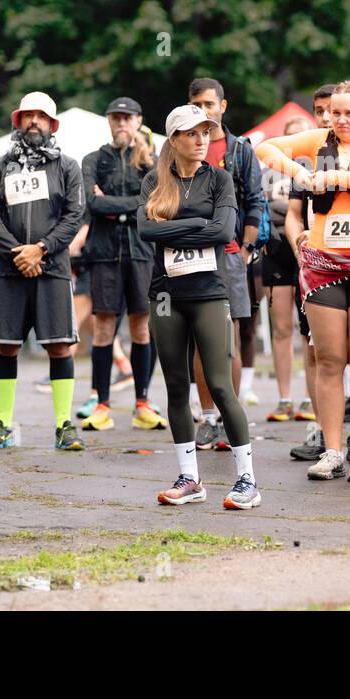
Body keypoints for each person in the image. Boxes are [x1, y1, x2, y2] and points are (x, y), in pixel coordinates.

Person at [256, 81, 350, 483]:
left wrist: (334, 176)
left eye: (348, 113)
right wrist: (300, 171)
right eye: (333, 112)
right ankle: (332, 449)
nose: (338, 119)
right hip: (322, 264)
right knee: (329, 360)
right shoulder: (317, 139)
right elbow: (264, 148)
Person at [138, 104, 259, 508]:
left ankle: (247, 481)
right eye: (191, 133)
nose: (201, 139)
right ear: (174, 140)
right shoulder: (155, 180)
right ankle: (190, 478)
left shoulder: (220, 179)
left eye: (206, 132)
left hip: (209, 293)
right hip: (167, 295)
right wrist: (197, 226)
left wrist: (175, 229)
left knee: (221, 386)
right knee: (175, 387)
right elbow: (145, 230)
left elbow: (225, 231)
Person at [0, 92, 86, 451]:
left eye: (41, 116)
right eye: (28, 115)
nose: (34, 121)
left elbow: (74, 216)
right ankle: (4, 423)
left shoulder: (67, 167)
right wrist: (17, 252)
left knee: (59, 347)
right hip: (9, 270)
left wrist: (40, 249)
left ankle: (63, 425)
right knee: (6, 346)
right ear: (18, 121)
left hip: (52, 267)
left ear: (52, 124)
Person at [186, 79, 266, 450]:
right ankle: (209, 418)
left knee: (230, 339)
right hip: (191, 254)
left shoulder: (239, 150)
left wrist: (247, 248)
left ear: (223, 105)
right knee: (203, 341)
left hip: (232, 254)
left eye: (209, 104)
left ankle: (231, 416)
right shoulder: (181, 147)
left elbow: (255, 200)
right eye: (196, 104)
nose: (204, 111)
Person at [78, 96, 164, 432]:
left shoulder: (150, 161)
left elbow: (154, 203)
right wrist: (128, 206)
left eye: (127, 118)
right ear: (108, 122)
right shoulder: (93, 159)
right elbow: (90, 203)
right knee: (103, 327)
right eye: (115, 118)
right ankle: (101, 404)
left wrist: (112, 204)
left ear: (139, 120)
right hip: (104, 252)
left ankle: (142, 402)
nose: (121, 123)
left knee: (142, 326)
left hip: (142, 252)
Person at [286, 86, 336, 462]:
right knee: (314, 350)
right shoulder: (305, 161)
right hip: (312, 267)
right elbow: (291, 215)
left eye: (330, 111)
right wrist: (300, 251)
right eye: (318, 111)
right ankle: (321, 430)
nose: (324, 118)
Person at [262, 115, 312, 422]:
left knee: (310, 331)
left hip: (308, 251)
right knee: (281, 328)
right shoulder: (270, 169)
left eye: (302, 138)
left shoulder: (316, 169)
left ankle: (309, 397)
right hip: (277, 250)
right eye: (291, 138)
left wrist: (283, 210)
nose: (297, 144)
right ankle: (284, 398)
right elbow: (264, 206)